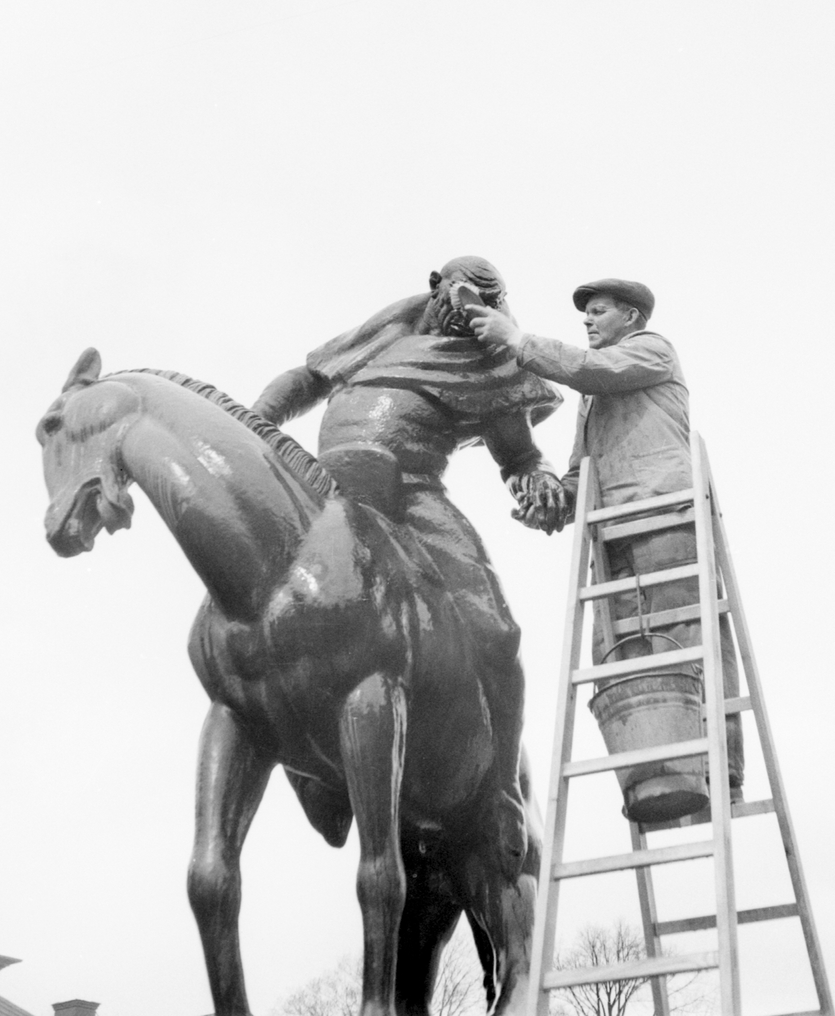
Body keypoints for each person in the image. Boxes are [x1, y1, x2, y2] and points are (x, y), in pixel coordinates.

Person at [252, 255, 568, 857]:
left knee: (496, 631)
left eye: (485, 304)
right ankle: (312, 768)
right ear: (435, 287)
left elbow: (519, 455)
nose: (469, 314)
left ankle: (502, 786)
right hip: (325, 487)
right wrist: (256, 421)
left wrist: (541, 480)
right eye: (462, 297)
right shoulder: (390, 326)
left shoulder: (488, 355)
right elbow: (307, 379)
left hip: (414, 494)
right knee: (262, 597)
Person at [468, 278, 744, 800]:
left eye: (598, 312)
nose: (589, 322)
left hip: (662, 515)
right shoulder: (592, 399)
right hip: (611, 531)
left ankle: (719, 770)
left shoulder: (652, 350)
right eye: (586, 315)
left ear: (632, 317)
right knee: (616, 652)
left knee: (686, 635)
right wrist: (552, 503)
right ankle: (657, 775)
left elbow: (590, 368)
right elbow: (581, 469)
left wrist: (517, 341)